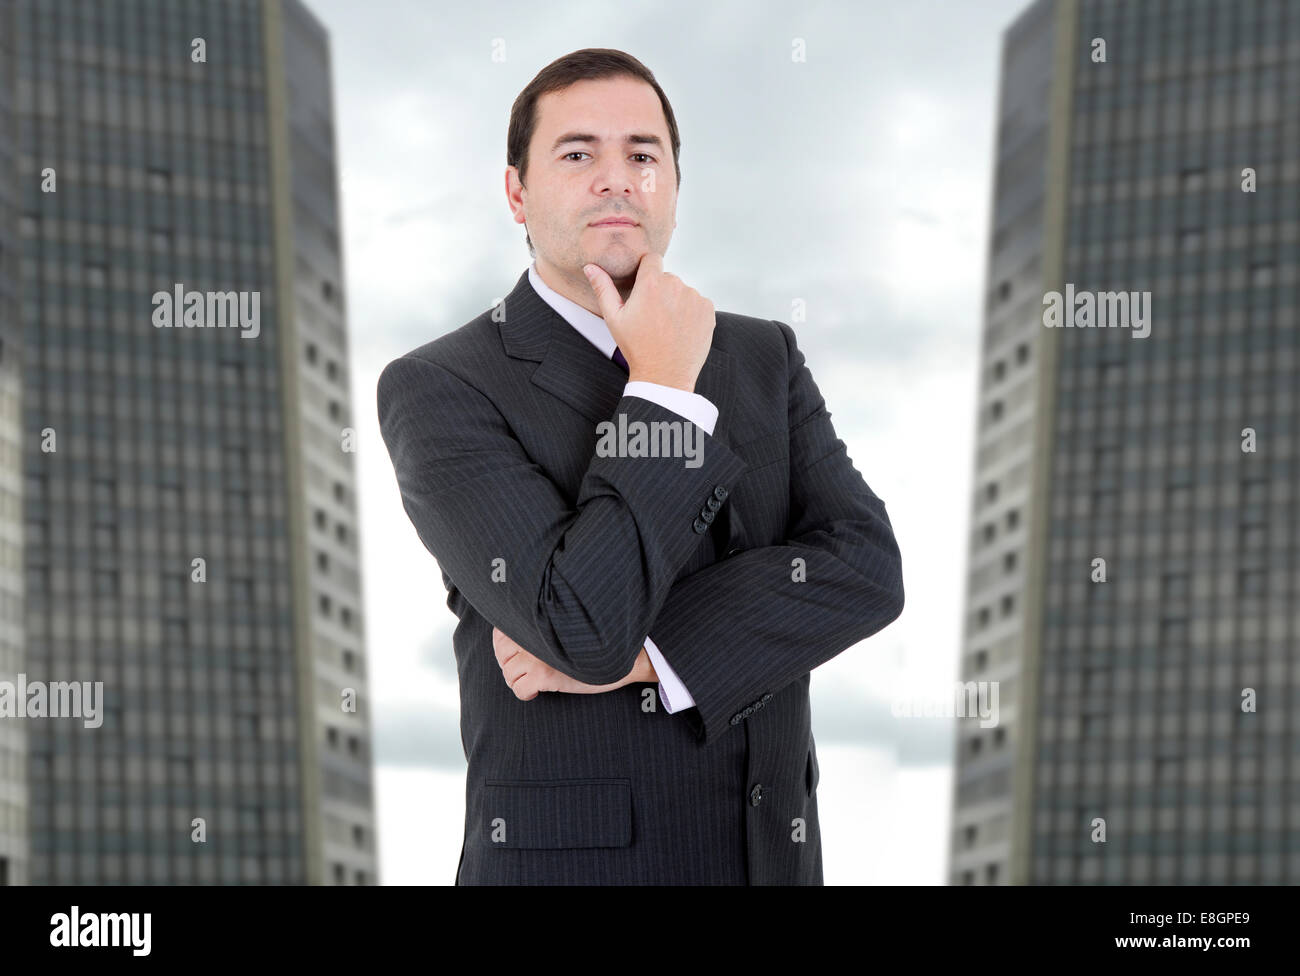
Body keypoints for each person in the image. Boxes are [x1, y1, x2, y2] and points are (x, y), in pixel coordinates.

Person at [376, 48, 904, 885]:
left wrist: (651, 654)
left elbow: (868, 569)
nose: (616, 179)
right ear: (516, 192)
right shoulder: (441, 386)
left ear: (673, 187)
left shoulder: (763, 356)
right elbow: (581, 624)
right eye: (578, 154)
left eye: (643, 155)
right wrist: (660, 386)